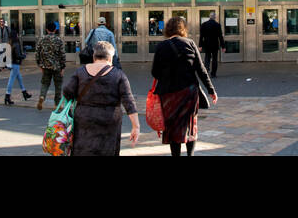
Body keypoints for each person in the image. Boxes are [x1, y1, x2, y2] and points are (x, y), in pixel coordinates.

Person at [151, 16, 216, 156]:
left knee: (172, 126)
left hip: (168, 93)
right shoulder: (190, 43)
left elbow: (154, 72)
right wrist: (211, 90)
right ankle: (190, 154)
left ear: (168, 29)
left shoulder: (161, 46)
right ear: (183, 29)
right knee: (191, 124)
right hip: (188, 92)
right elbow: (201, 70)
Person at [64, 41, 139, 156]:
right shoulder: (119, 75)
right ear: (110, 57)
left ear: (94, 56)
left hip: (84, 118)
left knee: (83, 150)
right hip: (109, 120)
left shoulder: (80, 72)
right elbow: (129, 102)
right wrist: (136, 126)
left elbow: (67, 92)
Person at [35, 21, 66, 111]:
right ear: (55, 30)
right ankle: (57, 104)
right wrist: (63, 67)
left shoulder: (41, 39)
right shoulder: (59, 40)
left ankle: (42, 96)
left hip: (45, 66)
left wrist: (40, 64)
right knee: (58, 86)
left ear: (47, 30)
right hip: (57, 67)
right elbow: (62, 54)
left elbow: (37, 53)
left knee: (45, 83)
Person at [0, 20, 30, 105]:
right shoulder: (16, 43)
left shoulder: (9, 43)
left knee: (19, 78)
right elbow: (18, 55)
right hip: (15, 63)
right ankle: (7, 96)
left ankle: (24, 93)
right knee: (11, 80)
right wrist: (24, 55)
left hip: (11, 63)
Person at [198, 12, 225, 78]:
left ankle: (206, 69)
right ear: (215, 17)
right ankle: (213, 74)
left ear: (209, 17)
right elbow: (220, 36)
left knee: (207, 57)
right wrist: (223, 46)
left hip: (206, 44)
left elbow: (201, 36)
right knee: (215, 59)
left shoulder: (204, 24)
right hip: (215, 44)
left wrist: (200, 46)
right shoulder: (217, 25)